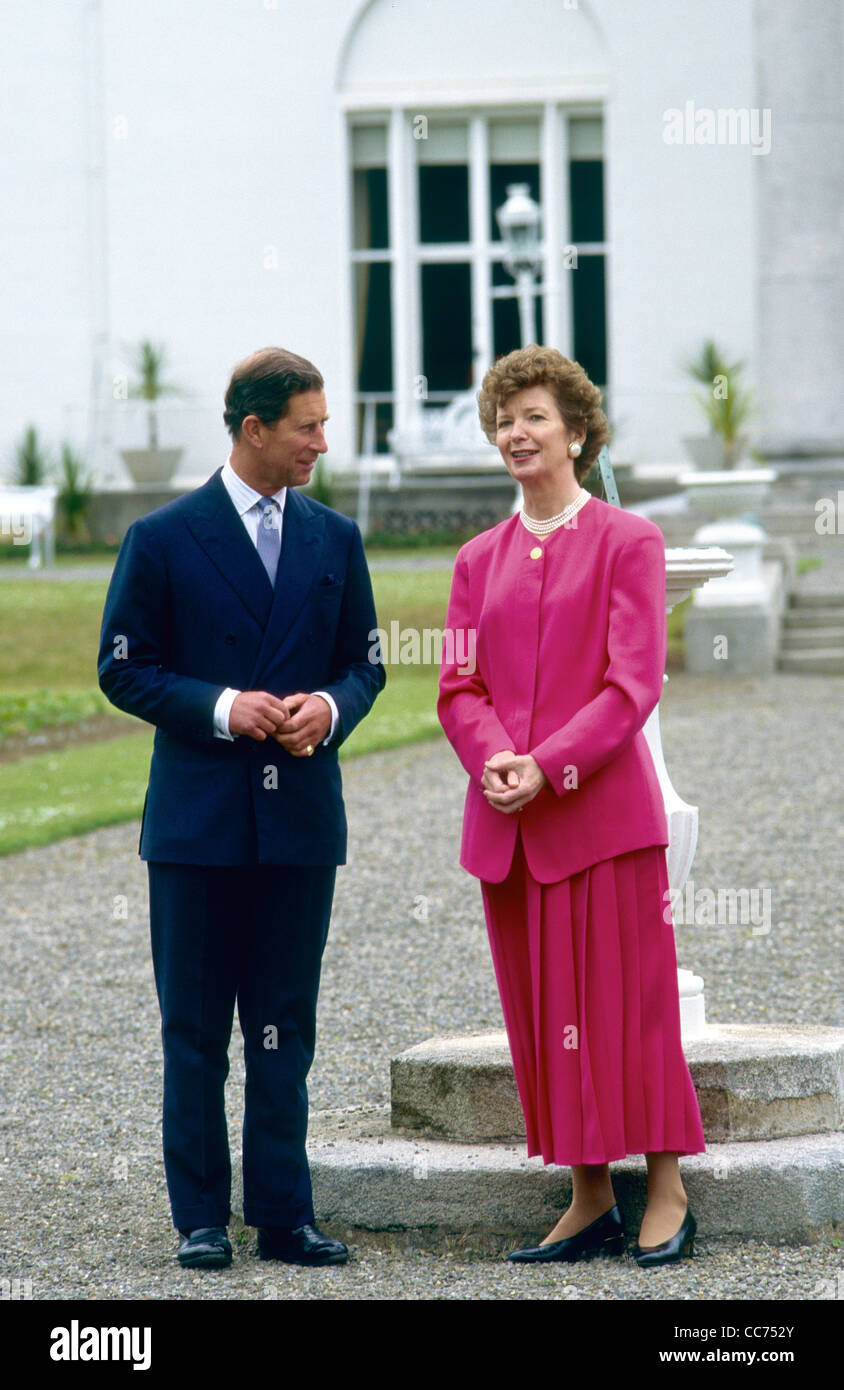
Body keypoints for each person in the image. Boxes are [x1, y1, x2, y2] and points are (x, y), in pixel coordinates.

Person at [98, 346, 385, 1269]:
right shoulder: (165, 537)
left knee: (283, 1025)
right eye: (309, 426)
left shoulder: (334, 538)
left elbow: (367, 660)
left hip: (298, 819)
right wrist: (224, 708)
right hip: (199, 826)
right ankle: (201, 1220)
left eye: (324, 424)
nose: (322, 442)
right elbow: (123, 667)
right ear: (254, 428)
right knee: (195, 1028)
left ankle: (284, 1215)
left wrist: (331, 708)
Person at [437, 345, 705, 1268]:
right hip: (508, 826)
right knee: (542, 1008)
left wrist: (548, 765)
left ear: (578, 432)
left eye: (535, 416)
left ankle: (666, 1183)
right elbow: (457, 686)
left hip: (602, 819)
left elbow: (631, 686)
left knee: (631, 1006)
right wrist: (495, 761)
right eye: (505, 419)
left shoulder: (630, 541)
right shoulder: (477, 559)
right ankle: (589, 1194)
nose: (516, 431)